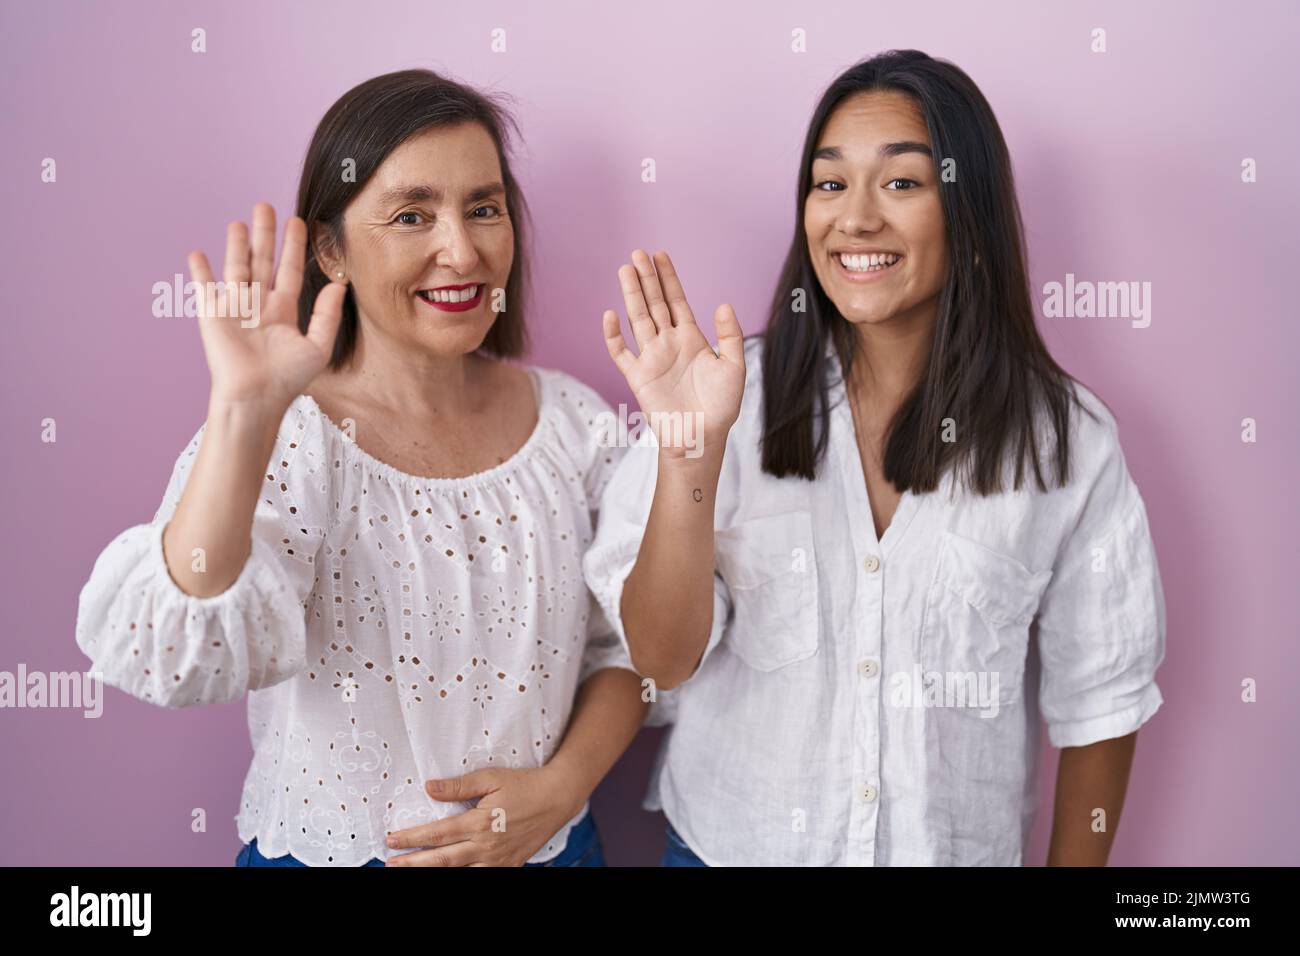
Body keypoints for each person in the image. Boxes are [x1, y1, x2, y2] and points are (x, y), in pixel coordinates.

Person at [585, 49, 1165, 866]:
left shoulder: (1067, 445)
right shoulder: (722, 403)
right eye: (829, 182)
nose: (854, 218)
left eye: (901, 182)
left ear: (969, 216)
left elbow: (1101, 703)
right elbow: (662, 658)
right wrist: (691, 456)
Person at [75, 69, 647, 867]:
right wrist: (242, 413)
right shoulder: (291, 437)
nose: (463, 249)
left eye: (484, 208)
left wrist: (559, 790)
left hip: (554, 847)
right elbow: (178, 658)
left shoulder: (576, 424)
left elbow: (627, 649)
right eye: (412, 215)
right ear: (331, 251)